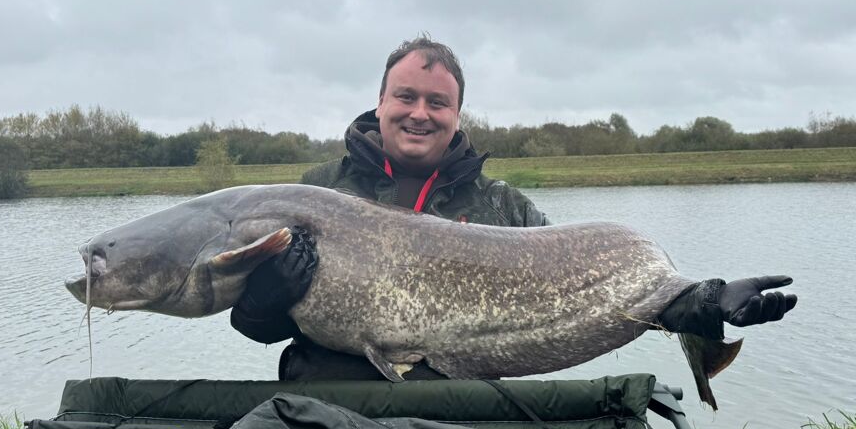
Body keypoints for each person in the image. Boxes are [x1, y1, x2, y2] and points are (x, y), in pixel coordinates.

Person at [231, 35, 796, 381]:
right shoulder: (316, 193)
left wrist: (698, 303)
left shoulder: (504, 207)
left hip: (470, 414)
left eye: (437, 102)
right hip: (327, 399)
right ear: (380, 103)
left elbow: (590, 298)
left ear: (457, 114)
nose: (419, 113)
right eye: (405, 96)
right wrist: (266, 300)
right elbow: (258, 327)